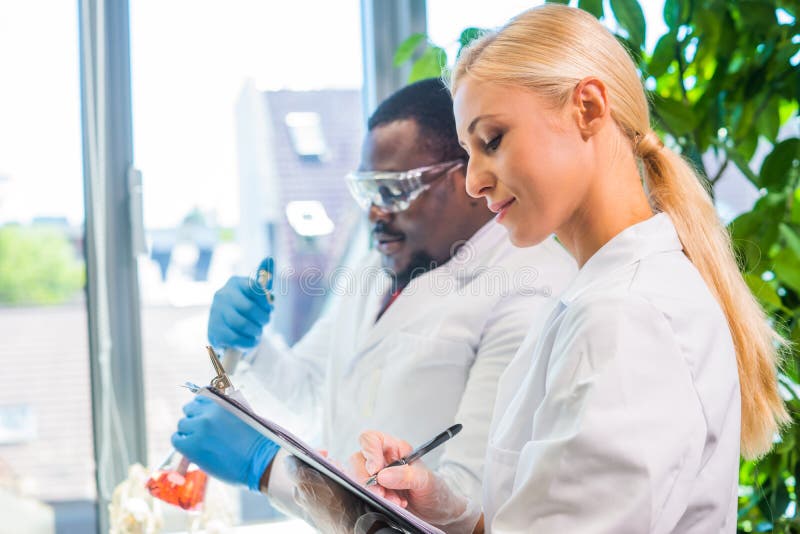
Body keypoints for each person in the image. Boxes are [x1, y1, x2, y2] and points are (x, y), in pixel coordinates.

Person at [350, 5, 788, 533]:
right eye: (469, 154)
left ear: (587, 107)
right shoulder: (603, 297)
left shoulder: (626, 318)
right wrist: (451, 510)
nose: (474, 183)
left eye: (493, 141)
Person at [171, 78, 577, 521]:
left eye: (394, 190)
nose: (376, 214)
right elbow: (311, 390)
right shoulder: (376, 267)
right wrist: (251, 343)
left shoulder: (530, 291)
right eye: (367, 191)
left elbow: (466, 508)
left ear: (469, 178)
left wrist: (267, 468)